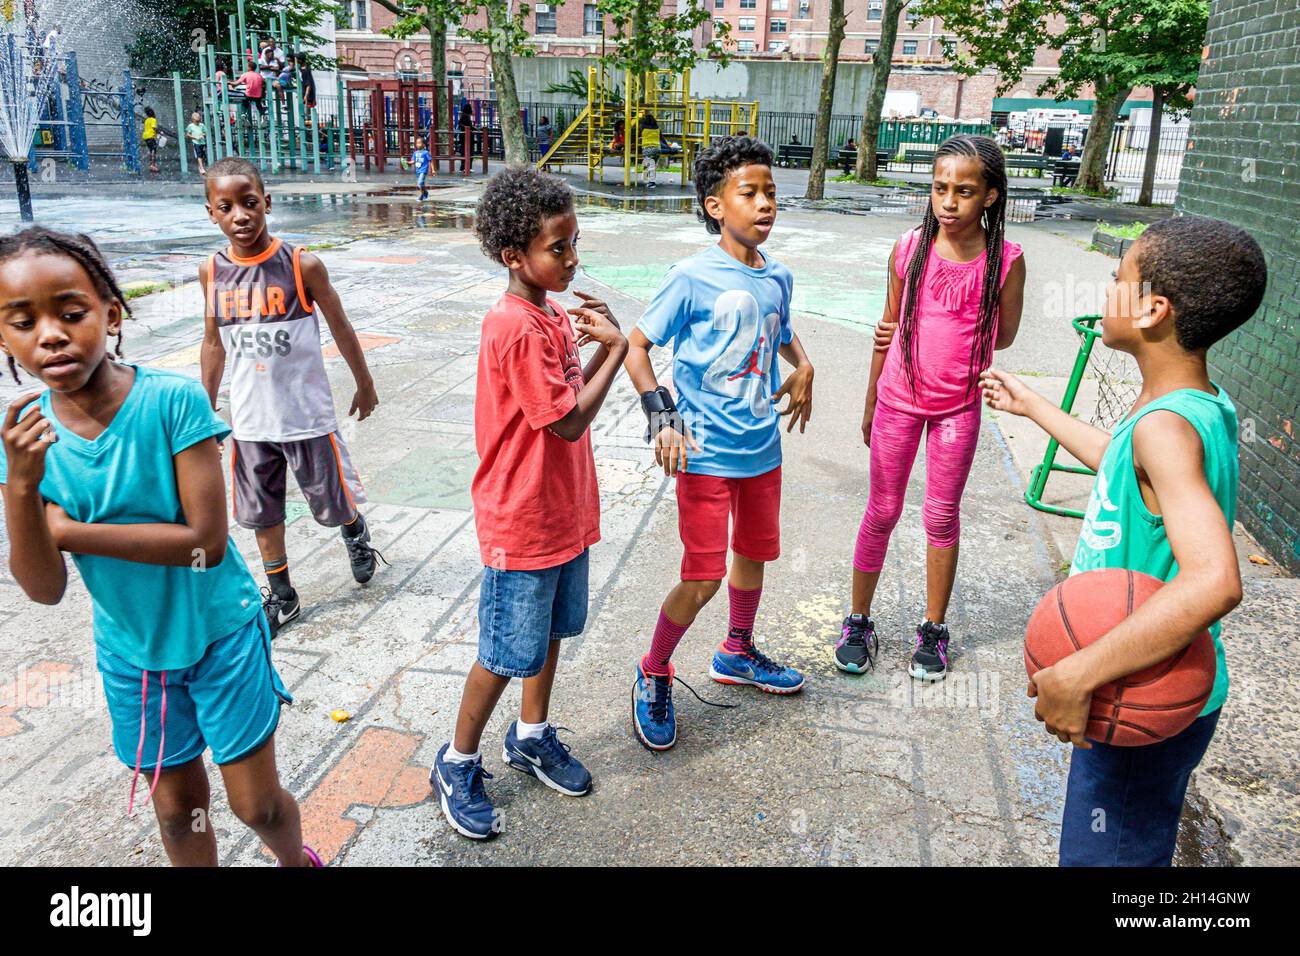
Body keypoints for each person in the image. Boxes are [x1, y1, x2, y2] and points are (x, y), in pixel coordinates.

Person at [0, 226, 320, 867]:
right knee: (179, 811)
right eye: (22, 321)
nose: (51, 335)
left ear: (111, 314)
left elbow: (202, 543)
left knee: (254, 805)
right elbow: (44, 588)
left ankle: (296, 861)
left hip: (220, 635)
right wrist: (21, 489)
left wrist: (67, 530)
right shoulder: (26, 441)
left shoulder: (172, 402)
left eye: (71, 313)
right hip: (134, 657)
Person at [981, 215, 1266, 866]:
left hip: (1140, 688)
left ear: (1153, 310)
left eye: (1118, 280)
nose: (1105, 291)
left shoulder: (1164, 430)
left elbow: (1216, 579)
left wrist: (1080, 669)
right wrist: (1034, 407)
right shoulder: (1195, 405)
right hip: (1150, 682)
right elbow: (1122, 462)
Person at [431, 168, 627, 839]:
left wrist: (593, 343)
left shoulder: (545, 313)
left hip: (562, 509)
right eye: (558, 249)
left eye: (574, 243)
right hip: (521, 515)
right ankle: (456, 760)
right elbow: (568, 420)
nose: (572, 259)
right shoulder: (512, 325)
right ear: (514, 256)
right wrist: (617, 349)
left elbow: (564, 393)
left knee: (546, 634)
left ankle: (532, 734)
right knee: (503, 649)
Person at [625, 136, 815, 751]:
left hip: (762, 451)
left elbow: (779, 331)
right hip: (704, 453)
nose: (765, 204)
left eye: (770, 194)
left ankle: (736, 651)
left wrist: (805, 364)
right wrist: (664, 419)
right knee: (702, 575)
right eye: (749, 193)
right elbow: (637, 346)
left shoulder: (777, 275)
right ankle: (654, 668)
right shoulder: (690, 276)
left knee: (754, 555)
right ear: (715, 206)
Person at [837, 135, 1025, 678]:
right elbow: (887, 329)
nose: (949, 201)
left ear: (990, 196)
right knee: (883, 510)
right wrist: (870, 401)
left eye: (964, 192)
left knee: (941, 515)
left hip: (957, 410)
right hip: (898, 400)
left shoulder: (1006, 261)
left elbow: (1004, 335)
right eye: (940, 188)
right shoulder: (909, 248)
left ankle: (934, 629)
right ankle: (858, 619)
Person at [198, 158, 385, 639]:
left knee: (332, 504)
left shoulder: (302, 265)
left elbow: (341, 326)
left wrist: (364, 383)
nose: (240, 215)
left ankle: (354, 530)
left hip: (307, 417)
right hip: (250, 423)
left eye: (249, 203)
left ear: (268, 204)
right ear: (211, 213)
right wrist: (205, 410)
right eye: (227, 207)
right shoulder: (212, 272)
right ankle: (282, 593)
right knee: (261, 513)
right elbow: (214, 343)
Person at [639, 112, 661, 189]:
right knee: (652, 165)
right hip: (657, 148)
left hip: (647, 148)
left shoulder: (643, 127)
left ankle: (651, 182)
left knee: (649, 165)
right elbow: (661, 138)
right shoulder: (657, 128)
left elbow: (638, 135)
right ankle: (647, 179)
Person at [186, 111, 208, 175]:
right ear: (193, 120)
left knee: (203, 155)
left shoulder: (202, 125)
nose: (198, 122)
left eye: (198, 121)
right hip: (196, 142)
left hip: (202, 142)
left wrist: (202, 135)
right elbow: (187, 134)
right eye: (196, 121)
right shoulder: (190, 126)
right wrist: (195, 138)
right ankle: (201, 167)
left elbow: (205, 132)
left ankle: (200, 166)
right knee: (199, 155)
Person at [411, 134, 431, 200]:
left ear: (424, 145)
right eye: (417, 143)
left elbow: (430, 160)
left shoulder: (426, 152)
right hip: (418, 171)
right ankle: (425, 193)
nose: (417, 144)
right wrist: (408, 162)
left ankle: (422, 196)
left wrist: (433, 170)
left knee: (420, 183)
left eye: (419, 143)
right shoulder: (415, 153)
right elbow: (413, 161)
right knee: (421, 185)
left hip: (423, 170)